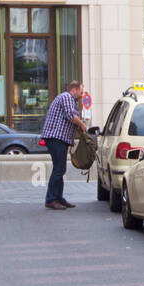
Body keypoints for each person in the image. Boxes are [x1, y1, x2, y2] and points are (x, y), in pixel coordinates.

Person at [41, 80, 87, 210]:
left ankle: (58, 198)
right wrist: (82, 125)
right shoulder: (66, 97)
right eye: (81, 92)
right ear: (74, 90)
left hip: (59, 138)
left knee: (60, 168)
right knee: (59, 168)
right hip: (55, 137)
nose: (82, 95)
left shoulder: (72, 101)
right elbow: (71, 116)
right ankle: (51, 199)